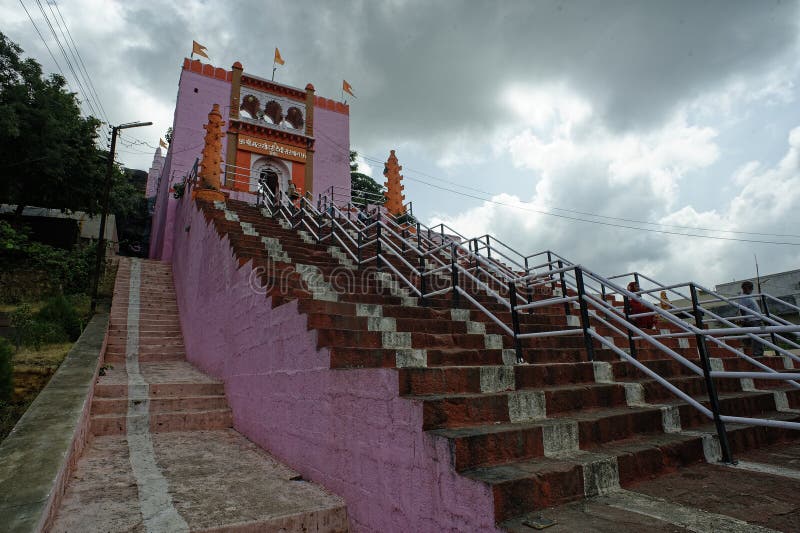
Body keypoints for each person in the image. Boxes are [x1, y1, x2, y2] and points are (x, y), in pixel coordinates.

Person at [739, 280, 764, 357]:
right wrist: (745, 319)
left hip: (756, 319)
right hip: (752, 320)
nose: (751, 289)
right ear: (745, 288)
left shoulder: (748, 296)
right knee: (756, 339)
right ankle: (757, 354)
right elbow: (742, 309)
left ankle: (758, 353)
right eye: (750, 288)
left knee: (758, 338)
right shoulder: (743, 297)